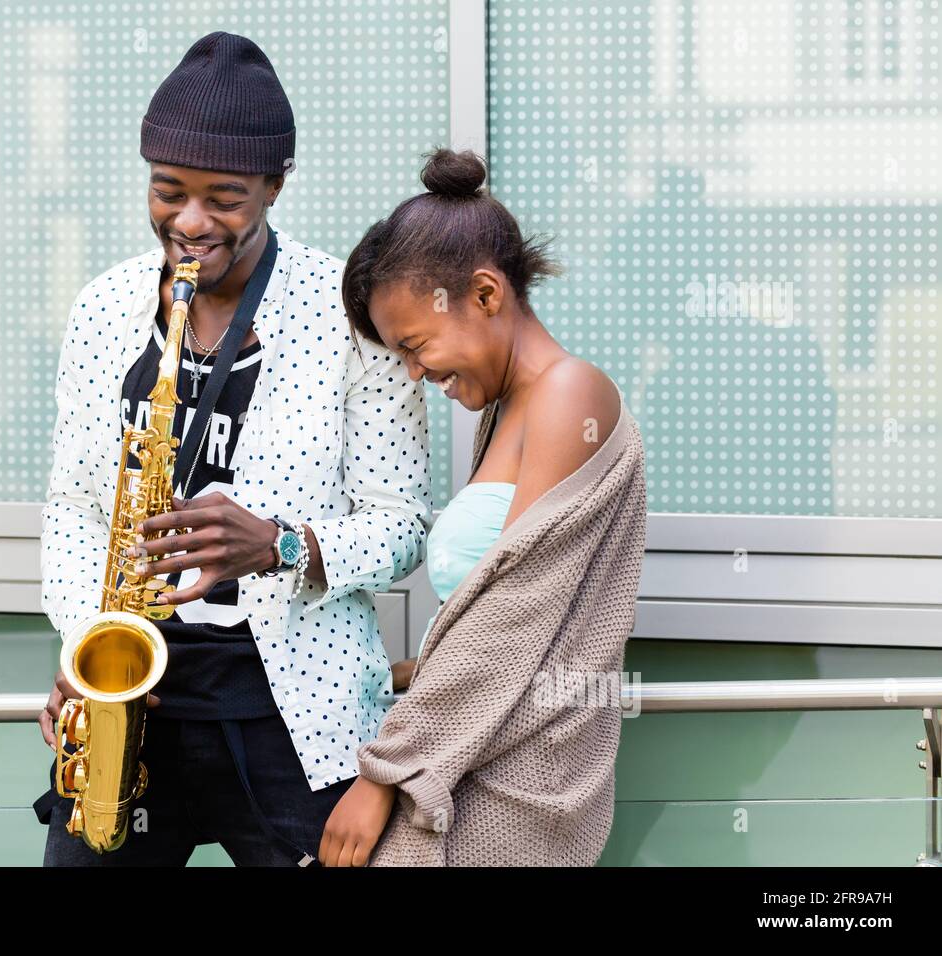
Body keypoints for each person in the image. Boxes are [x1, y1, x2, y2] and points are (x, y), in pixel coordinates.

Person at [32, 32, 432, 866]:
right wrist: (83, 643)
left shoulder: (350, 314)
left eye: (223, 198)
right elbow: (74, 506)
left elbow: (401, 527)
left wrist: (281, 543)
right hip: (133, 705)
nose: (188, 222)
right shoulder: (105, 308)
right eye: (167, 191)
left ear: (275, 186)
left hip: (296, 717)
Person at [318, 148, 648, 866]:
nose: (415, 372)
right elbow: (488, 610)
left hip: (515, 785)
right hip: (473, 759)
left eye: (415, 344)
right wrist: (392, 673)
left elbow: (514, 617)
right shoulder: (509, 412)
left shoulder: (570, 395)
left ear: (487, 294)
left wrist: (385, 773)